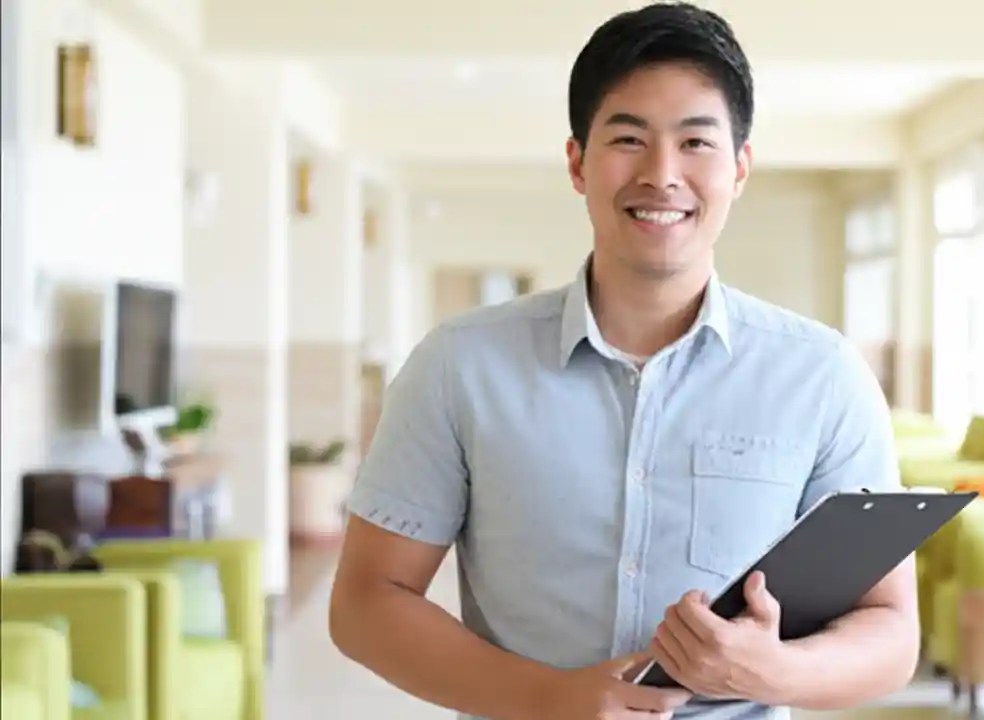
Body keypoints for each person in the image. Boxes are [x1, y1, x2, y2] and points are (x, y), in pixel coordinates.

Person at [328, 3, 918, 718]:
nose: (662, 174)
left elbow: (890, 632)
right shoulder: (459, 366)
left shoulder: (823, 376)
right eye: (629, 138)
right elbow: (366, 602)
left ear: (740, 168)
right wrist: (550, 698)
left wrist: (775, 671)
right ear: (578, 162)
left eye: (696, 142)